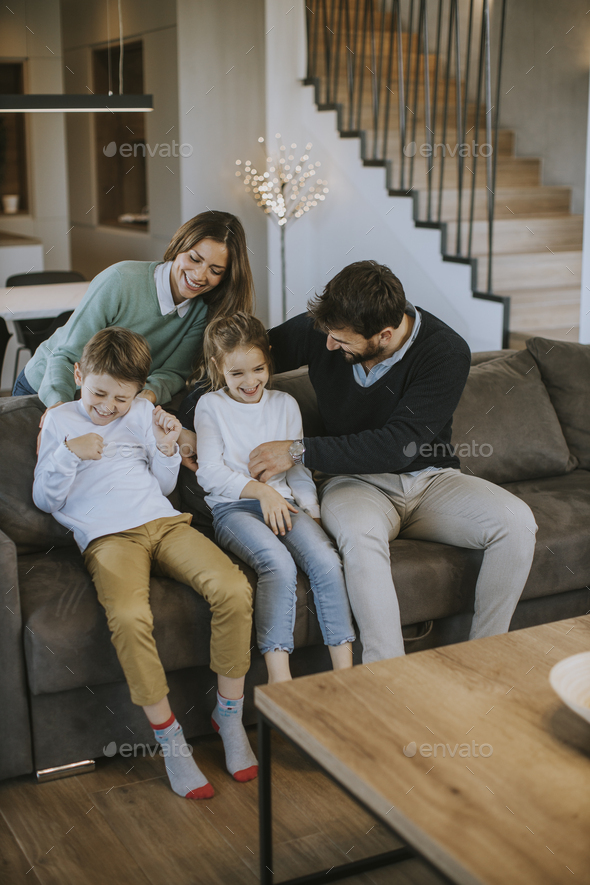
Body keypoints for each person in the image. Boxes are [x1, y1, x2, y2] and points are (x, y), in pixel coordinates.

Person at [245, 260, 538, 663]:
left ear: (385, 335)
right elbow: (240, 355)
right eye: (328, 334)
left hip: (430, 481)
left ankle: (483, 660)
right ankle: (388, 677)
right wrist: (186, 417)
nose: (329, 346)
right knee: (360, 537)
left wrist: (297, 450)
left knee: (517, 522)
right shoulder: (327, 328)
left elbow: (397, 445)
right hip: (353, 484)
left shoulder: (445, 351)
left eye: (342, 340)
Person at [33, 327, 258, 799]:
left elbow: (162, 486)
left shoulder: (138, 414)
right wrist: (70, 455)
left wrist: (166, 445)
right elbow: (46, 499)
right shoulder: (60, 422)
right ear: (79, 375)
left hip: (164, 522)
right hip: (108, 538)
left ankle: (230, 717)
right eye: (98, 393)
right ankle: (171, 740)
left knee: (234, 588)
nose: (107, 406)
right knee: (131, 617)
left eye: (121, 397)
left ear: (137, 391)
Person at [13, 209, 253, 465]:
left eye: (215, 270)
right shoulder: (120, 281)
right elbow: (66, 355)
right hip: (48, 391)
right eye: (194, 259)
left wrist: (141, 400)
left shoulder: (202, 312)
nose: (200, 275)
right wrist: (60, 414)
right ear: (179, 246)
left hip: (107, 405)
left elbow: (172, 374)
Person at [194, 312, 355, 683]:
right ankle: (281, 684)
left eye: (258, 369)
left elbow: (298, 469)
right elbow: (210, 474)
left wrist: (312, 513)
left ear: (267, 357)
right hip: (234, 509)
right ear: (219, 368)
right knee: (278, 566)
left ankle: (347, 679)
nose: (250, 382)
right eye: (237, 374)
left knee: (327, 562)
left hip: (286, 504)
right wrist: (262, 492)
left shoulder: (285, 404)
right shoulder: (211, 407)